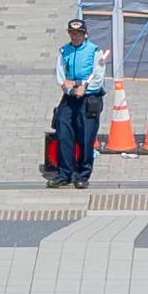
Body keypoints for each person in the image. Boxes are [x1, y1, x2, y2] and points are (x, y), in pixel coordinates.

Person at [50, 16, 106, 188]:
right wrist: (71, 88)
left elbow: (98, 77)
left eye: (79, 33)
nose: (75, 36)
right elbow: (61, 77)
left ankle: (83, 174)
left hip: (89, 99)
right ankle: (64, 173)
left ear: (85, 34)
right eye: (72, 33)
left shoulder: (95, 51)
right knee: (63, 132)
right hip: (70, 98)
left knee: (86, 136)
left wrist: (81, 86)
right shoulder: (63, 51)